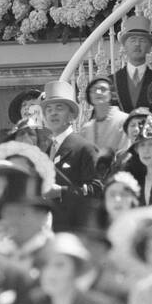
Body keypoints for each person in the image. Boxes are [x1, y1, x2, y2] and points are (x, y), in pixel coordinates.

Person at [39, 79, 106, 230]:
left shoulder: (85, 148)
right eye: (48, 109)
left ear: (71, 116)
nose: (53, 113)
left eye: (59, 108)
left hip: (74, 227)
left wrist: (61, 192)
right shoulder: (44, 150)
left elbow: (97, 190)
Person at [79, 74, 127, 160]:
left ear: (111, 94)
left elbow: (125, 155)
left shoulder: (124, 120)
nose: (98, 92)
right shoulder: (86, 128)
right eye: (94, 90)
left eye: (103, 89)